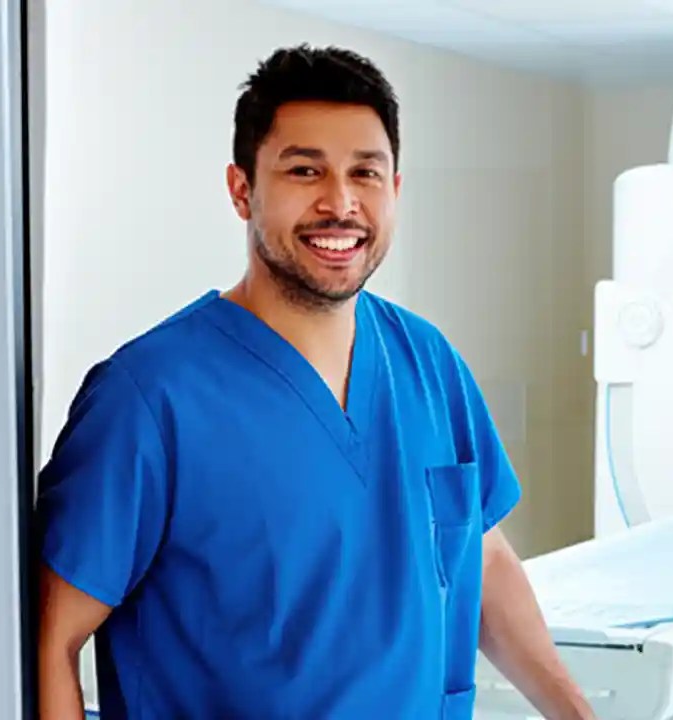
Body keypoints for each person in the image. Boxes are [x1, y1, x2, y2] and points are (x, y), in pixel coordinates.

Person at [35, 44, 595, 720]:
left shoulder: (429, 361)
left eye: (366, 173)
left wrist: (576, 713)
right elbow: (51, 640)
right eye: (305, 170)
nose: (340, 202)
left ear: (394, 189)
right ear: (243, 189)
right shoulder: (149, 399)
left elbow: (481, 554)